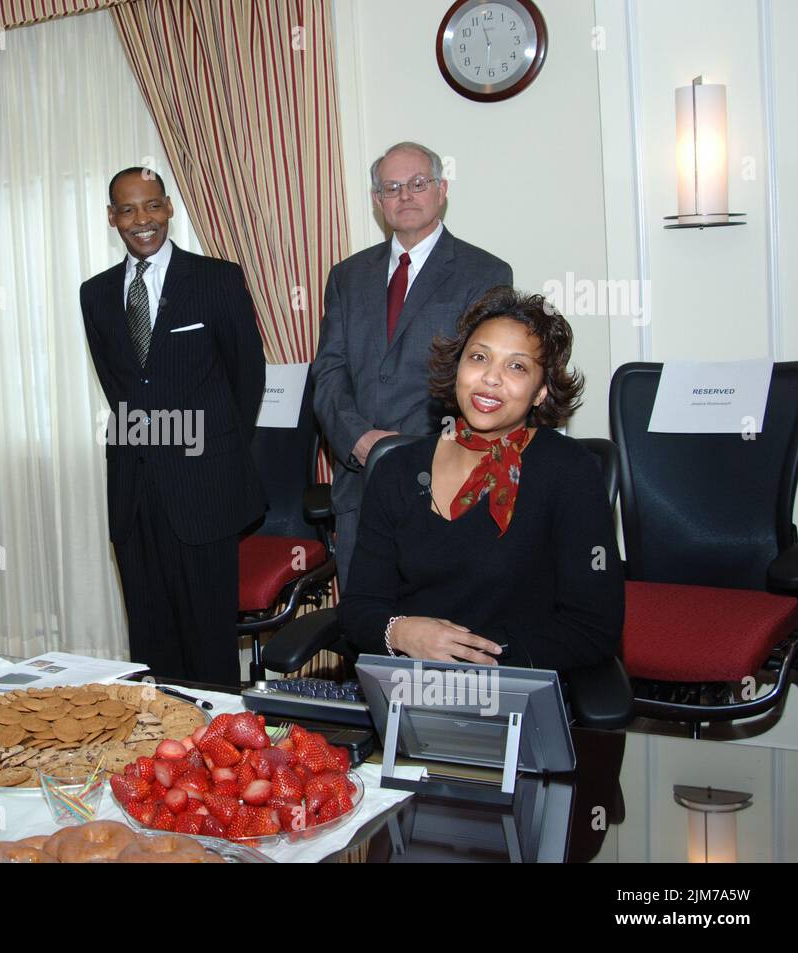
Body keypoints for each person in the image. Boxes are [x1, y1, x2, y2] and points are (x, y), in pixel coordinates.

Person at [336, 287, 623, 673]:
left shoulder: (570, 472)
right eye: (479, 358)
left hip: (518, 689)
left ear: (540, 391)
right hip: (406, 690)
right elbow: (359, 610)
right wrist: (401, 634)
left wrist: (474, 658)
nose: (490, 378)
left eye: (516, 366)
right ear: (458, 367)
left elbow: (593, 629)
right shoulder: (397, 470)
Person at [79, 167, 266, 686]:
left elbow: (246, 377)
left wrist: (208, 450)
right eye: (128, 209)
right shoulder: (93, 294)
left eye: (152, 205)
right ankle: (157, 752)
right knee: (150, 640)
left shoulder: (216, 278)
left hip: (205, 484)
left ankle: (218, 753)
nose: (143, 220)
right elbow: (118, 386)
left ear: (169, 208)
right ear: (112, 218)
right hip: (134, 488)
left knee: (208, 640)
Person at [313, 141, 512, 587]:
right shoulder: (347, 276)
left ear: (441, 190)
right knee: (367, 630)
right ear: (377, 201)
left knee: (443, 631)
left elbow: (487, 384)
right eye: (392, 187)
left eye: (418, 184)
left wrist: (419, 449)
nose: (405, 196)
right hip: (359, 484)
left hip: (445, 481)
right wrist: (358, 438)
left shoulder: (485, 273)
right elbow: (328, 373)